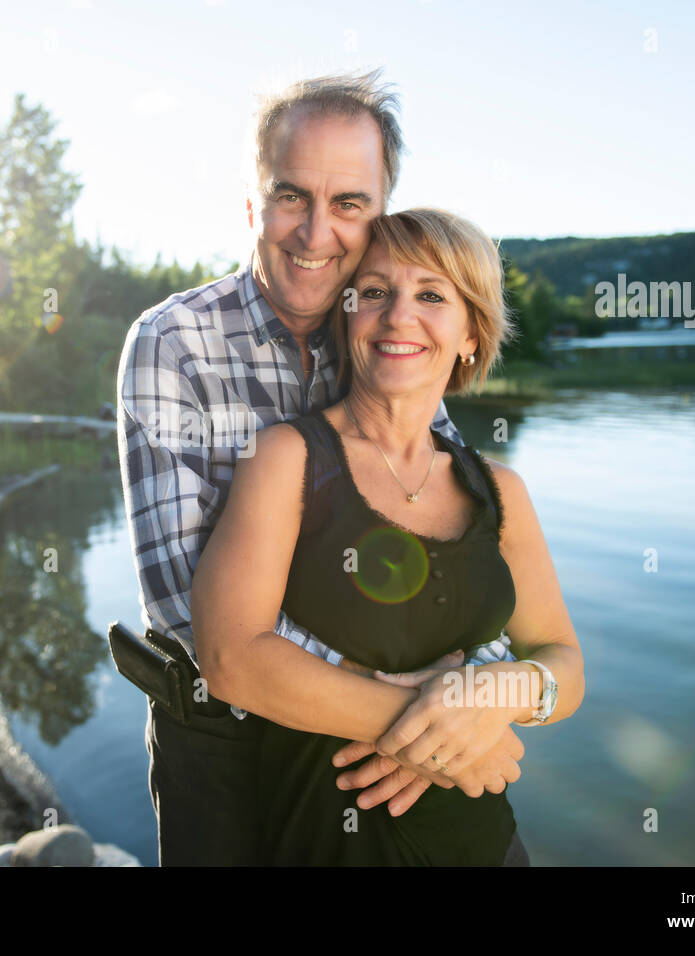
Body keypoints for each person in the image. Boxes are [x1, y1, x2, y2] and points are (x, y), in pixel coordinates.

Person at [116, 71, 527, 866]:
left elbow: (460, 540)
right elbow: (184, 606)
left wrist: (477, 693)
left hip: (387, 755)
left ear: (380, 216)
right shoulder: (174, 342)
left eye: (348, 203)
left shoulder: (384, 335)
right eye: (290, 196)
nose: (315, 231)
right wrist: (407, 707)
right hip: (225, 744)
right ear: (252, 204)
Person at [191, 207, 585, 864]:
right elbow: (231, 660)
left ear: (471, 332)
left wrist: (494, 693)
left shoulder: (500, 491)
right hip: (329, 842)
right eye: (374, 292)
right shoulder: (287, 460)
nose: (399, 315)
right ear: (347, 318)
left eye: (431, 296)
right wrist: (439, 729)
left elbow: (563, 662)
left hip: (485, 842)